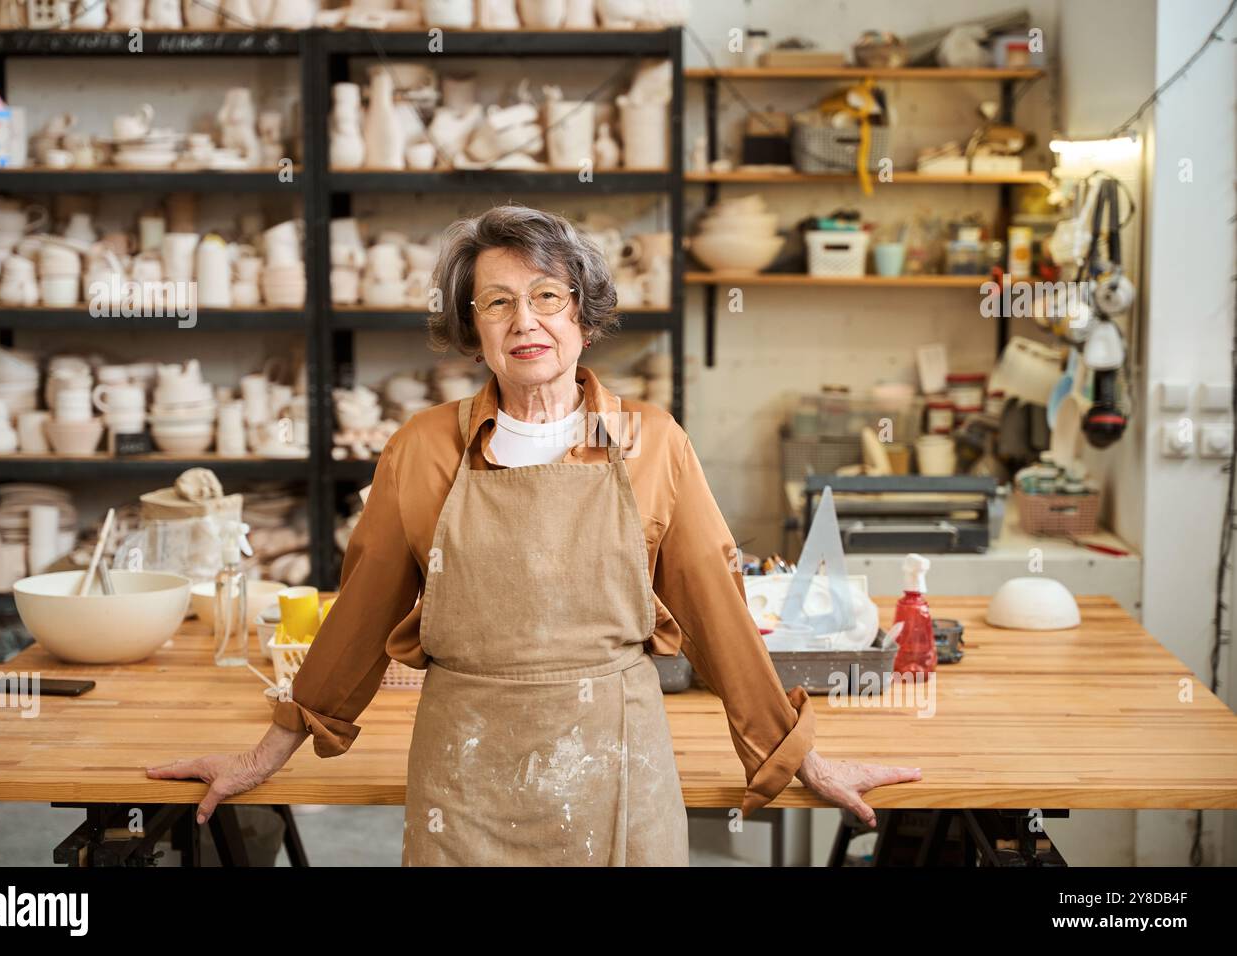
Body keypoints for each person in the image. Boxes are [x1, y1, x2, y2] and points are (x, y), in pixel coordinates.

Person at [148, 205, 921, 865]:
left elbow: (719, 615)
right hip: (466, 778)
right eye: (496, 303)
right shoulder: (421, 448)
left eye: (548, 296)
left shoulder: (652, 441)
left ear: (583, 318)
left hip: (616, 768)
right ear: (471, 326)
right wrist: (264, 753)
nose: (526, 321)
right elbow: (359, 615)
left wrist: (801, 756)